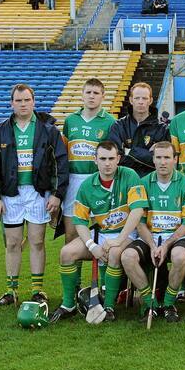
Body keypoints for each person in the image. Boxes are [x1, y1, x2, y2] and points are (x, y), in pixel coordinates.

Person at [0, 84, 68, 306]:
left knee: (37, 241)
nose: (23, 104)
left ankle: (37, 290)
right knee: (12, 243)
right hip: (11, 195)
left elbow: (61, 164)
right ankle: (11, 290)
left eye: (26, 100)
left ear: (33, 101)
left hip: (38, 193)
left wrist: (57, 195)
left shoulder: (48, 130)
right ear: (11, 103)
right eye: (18, 101)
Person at [49, 141, 148, 323]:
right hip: (100, 233)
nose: (107, 163)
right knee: (66, 253)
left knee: (115, 253)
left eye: (111, 158)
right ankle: (68, 304)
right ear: (95, 160)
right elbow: (79, 221)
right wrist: (91, 245)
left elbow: (137, 210)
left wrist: (119, 239)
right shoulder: (88, 185)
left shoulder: (130, 176)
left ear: (118, 159)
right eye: (103, 159)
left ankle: (108, 306)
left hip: (127, 234)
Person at [61, 78, 117, 294]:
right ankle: (74, 286)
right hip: (74, 181)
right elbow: (63, 153)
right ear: (82, 95)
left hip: (100, 181)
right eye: (88, 92)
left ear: (103, 96)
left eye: (96, 93)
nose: (92, 96)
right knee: (71, 235)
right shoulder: (70, 120)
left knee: (105, 233)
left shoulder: (110, 122)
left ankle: (103, 287)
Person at [138, 141, 185, 323]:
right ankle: (151, 304)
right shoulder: (143, 183)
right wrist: (151, 245)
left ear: (175, 160)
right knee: (127, 258)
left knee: (180, 256)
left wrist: (165, 245)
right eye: (159, 157)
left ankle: (168, 303)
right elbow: (140, 223)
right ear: (153, 160)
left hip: (177, 235)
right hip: (150, 235)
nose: (163, 162)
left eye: (167, 157)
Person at [108, 82, 171, 177]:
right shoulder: (119, 125)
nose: (141, 101)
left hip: (152, 181)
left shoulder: (162, 129)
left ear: (150, 100)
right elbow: (115, 158)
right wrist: (148, 155)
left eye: (144, 98)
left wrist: (129, 151)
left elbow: (163, 161)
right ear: (131, 100)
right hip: (125, 180)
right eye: (137, 98)